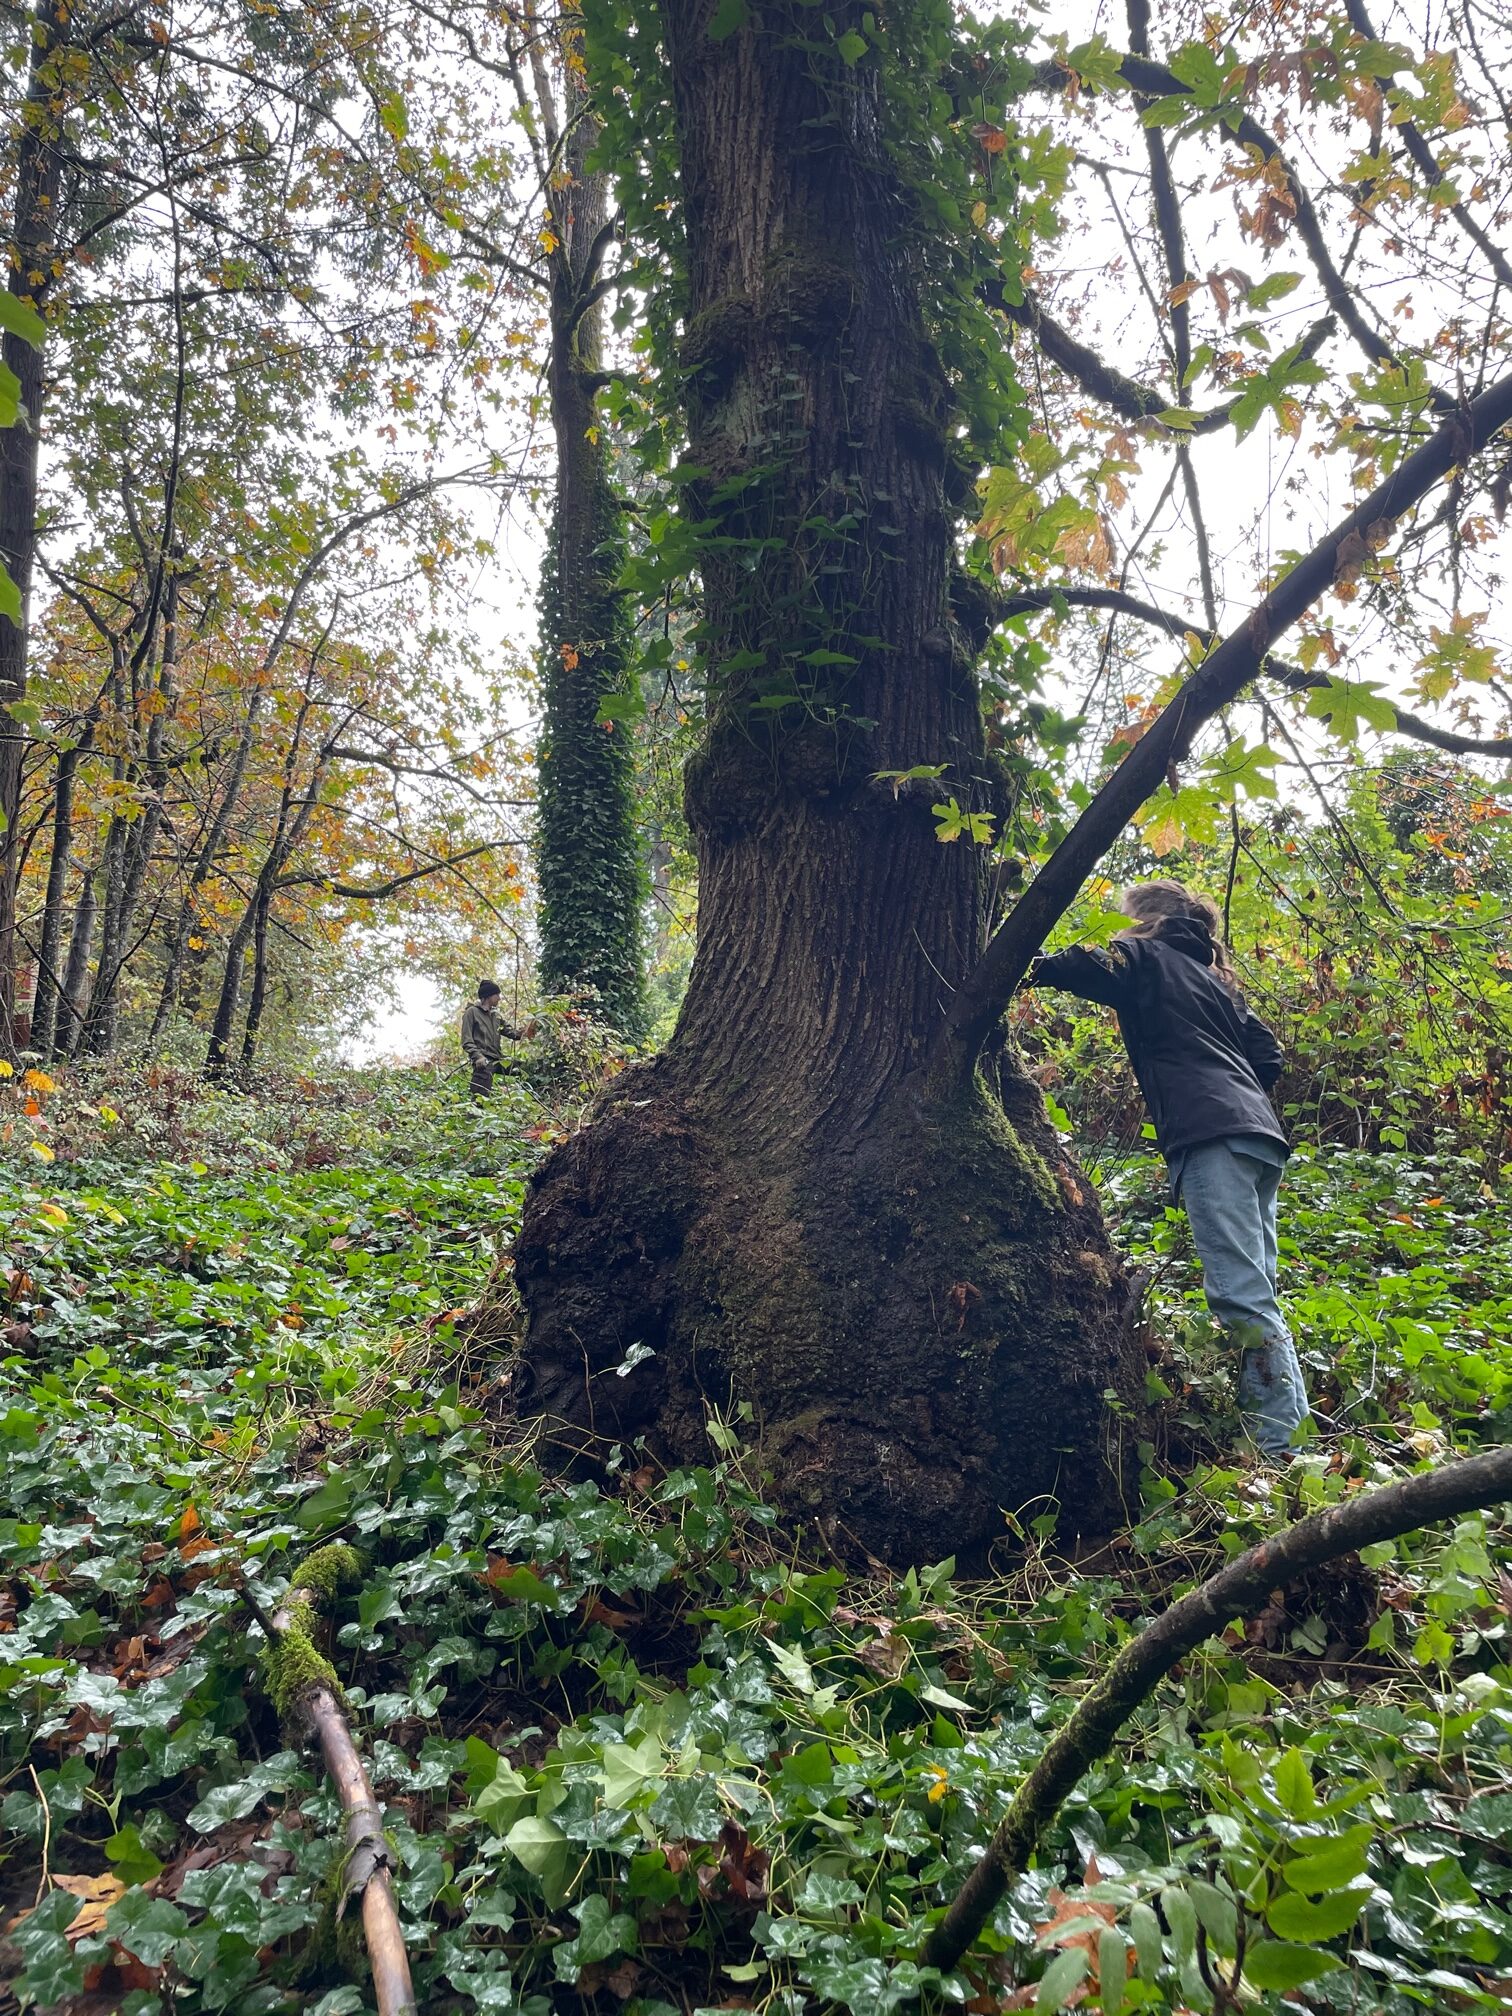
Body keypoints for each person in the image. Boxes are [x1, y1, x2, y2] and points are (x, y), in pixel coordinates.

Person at [1024, 879, 1311, 1460]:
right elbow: (1268, 1056)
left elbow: (1083, 966)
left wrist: (1022, 967)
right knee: (1258, 1289)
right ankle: (1291, 1429)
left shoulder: (1143, 954)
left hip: (1210, 1136)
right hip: (1259, 1138)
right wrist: (1233, 1089)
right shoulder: (1216, 981)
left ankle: (1280, 1448)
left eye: (1121, 919)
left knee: (1241, 1294)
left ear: (1141, 920)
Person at [460, 980, 533, 1097]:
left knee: (525, 1069)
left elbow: (512, 1033)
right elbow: (466, 1040)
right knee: (480, 1098)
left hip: (498, 1058)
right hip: (484, 1060)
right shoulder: (471, 1012)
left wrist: (528, 1030)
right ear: (488, 996)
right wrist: (478, 1056)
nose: (499, 998)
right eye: (497, 995)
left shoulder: (495, 1015)